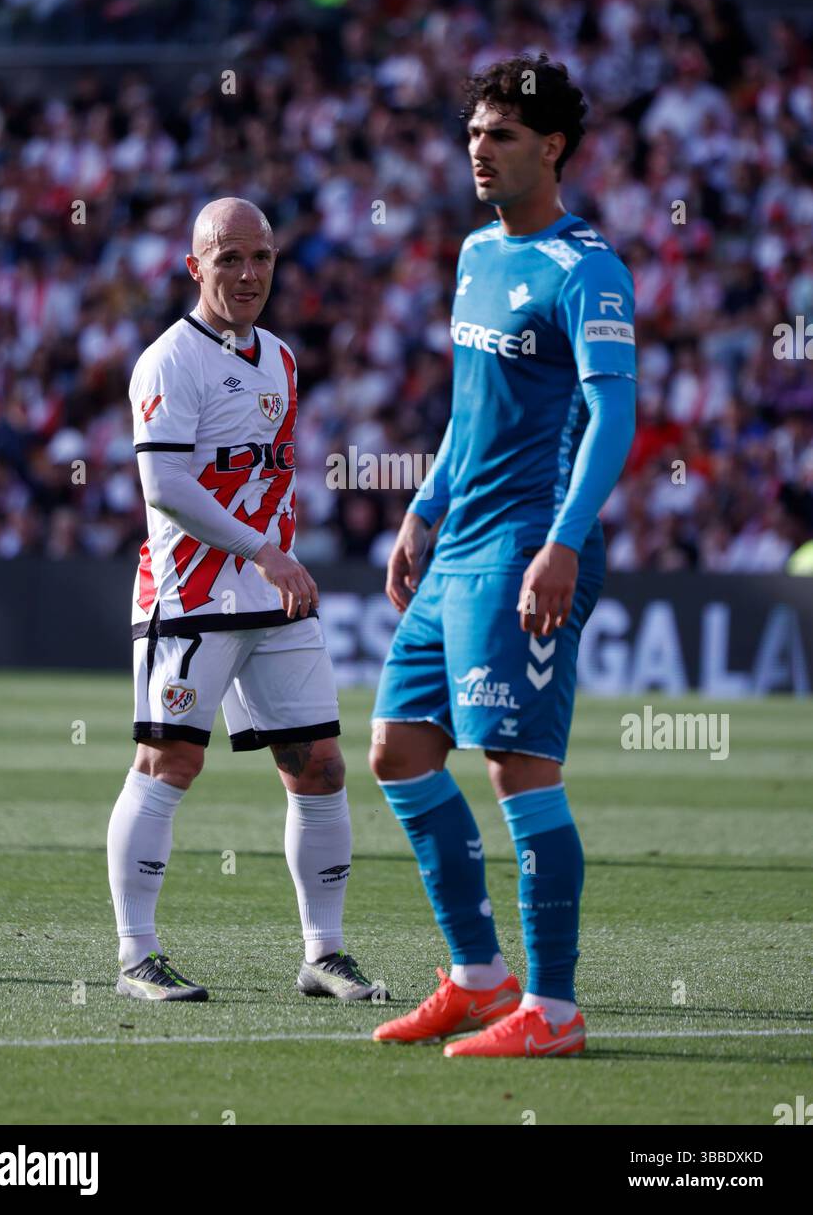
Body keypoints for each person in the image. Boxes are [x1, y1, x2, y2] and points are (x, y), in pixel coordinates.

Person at [370, 55, 637, 1057]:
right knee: (398, 749)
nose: (477, 149)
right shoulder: (477, 253)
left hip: (528, 541)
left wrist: (563, 543)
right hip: (457, 543)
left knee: (516, 770)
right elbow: (465, 409)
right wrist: (421, 508)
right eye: (473, 132)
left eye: (500, 135)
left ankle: (555, 1012)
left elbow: (614, 414)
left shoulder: (585, 269)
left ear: (551, 148)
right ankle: (480, 978)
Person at [107, 197, 383, 1002]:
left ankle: (323, 953)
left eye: (260, 256)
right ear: (195, 268)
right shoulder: (168, 361)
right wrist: (264, 549)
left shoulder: (282, 359)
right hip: (191, 595)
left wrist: (274, 555)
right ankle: (136, 957)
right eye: (228, 258)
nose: (248, 273)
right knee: (169, 763)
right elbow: (164, 485)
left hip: (274, 594)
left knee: (319, 766)